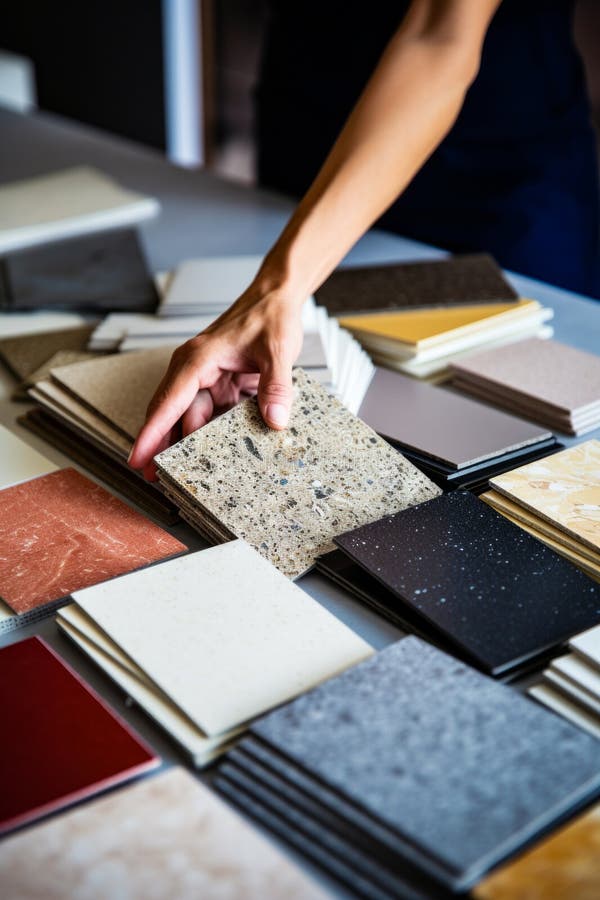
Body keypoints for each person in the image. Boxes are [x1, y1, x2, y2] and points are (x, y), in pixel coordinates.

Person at [129, 0, 599, 480]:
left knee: (547, 422)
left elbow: (439, 33)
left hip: (496, 147)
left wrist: (278, 289)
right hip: (314, 113)